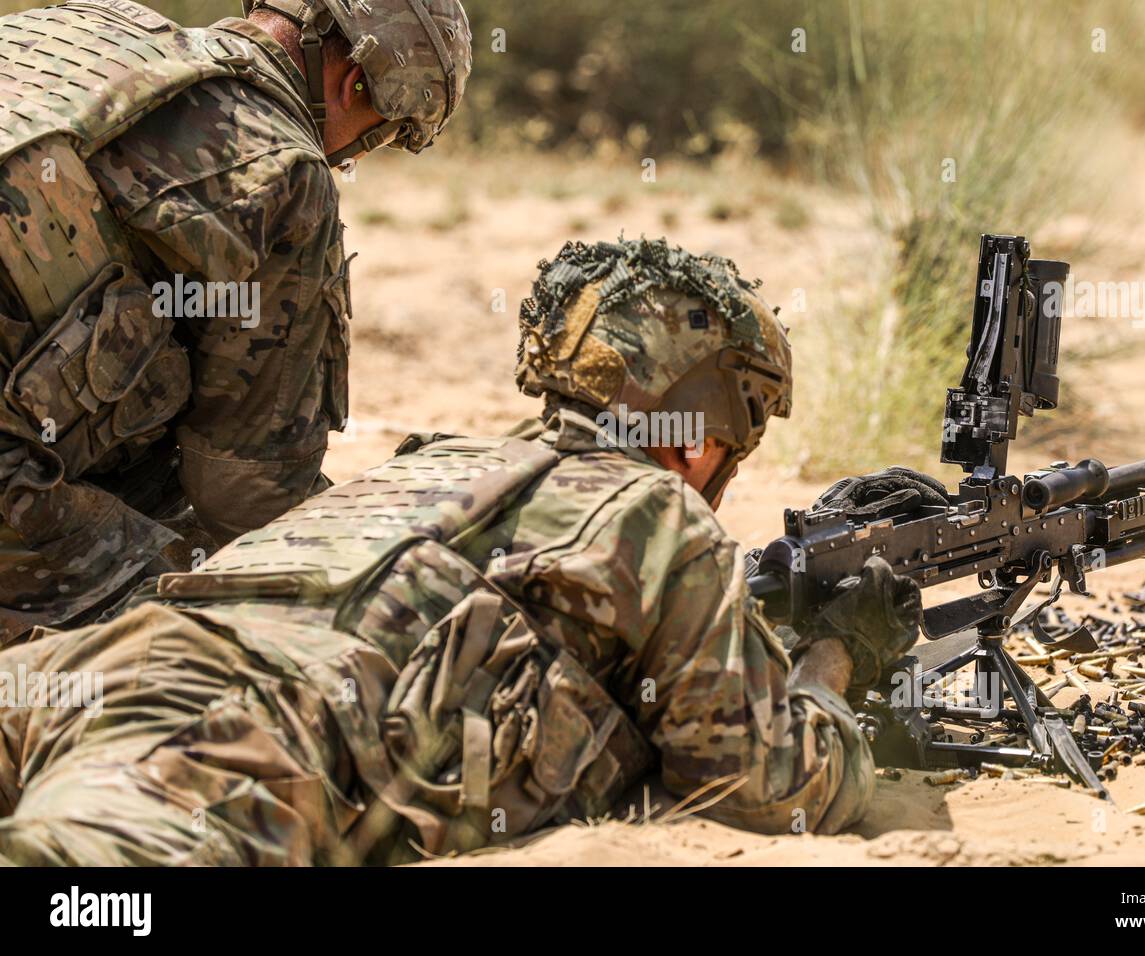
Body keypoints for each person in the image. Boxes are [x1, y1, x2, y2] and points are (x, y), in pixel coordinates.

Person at [0, 237, 930, 865]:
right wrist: (834, 661)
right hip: (244, 738)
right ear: (702, 427)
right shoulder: (657, 513)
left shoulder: (433, 465)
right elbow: (766, 787)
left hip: (76, 675)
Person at [0, 0, 472, 642]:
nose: (356, 156)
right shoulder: (284, 172)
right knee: (217, 632)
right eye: (384, 132)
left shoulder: (90, 23)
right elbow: (247, 497)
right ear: (356, 85)